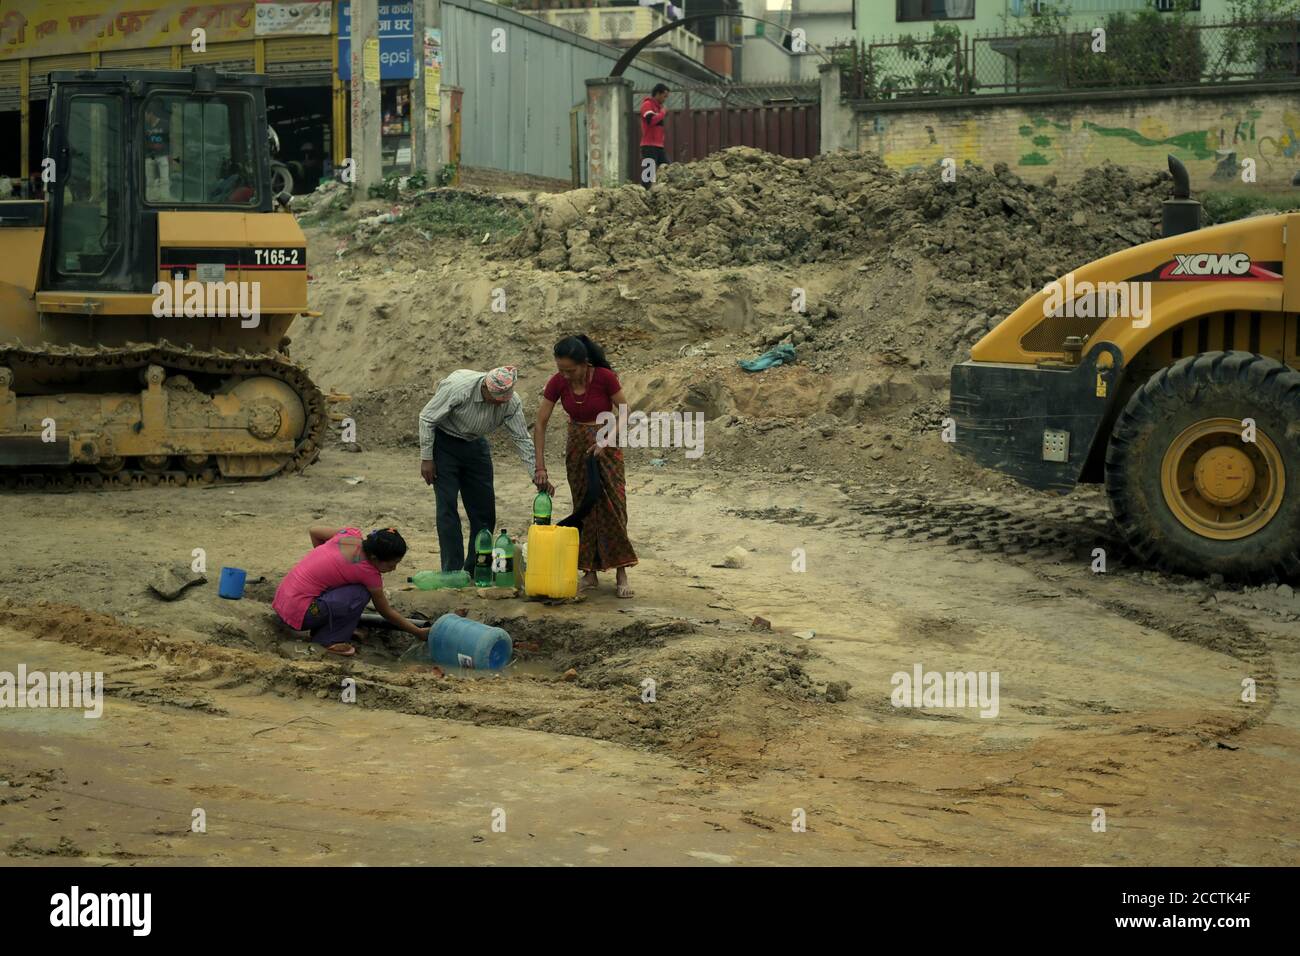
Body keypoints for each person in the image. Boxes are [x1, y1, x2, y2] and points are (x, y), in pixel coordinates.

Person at [419, 366, 553, 574]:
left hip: (475, 445)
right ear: (484, 387)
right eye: (496, 398)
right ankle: (452, 571)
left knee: (484, 512)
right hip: (444, 444)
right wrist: (427, 458)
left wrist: (537, 473)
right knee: (447, 508)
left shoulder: (511, 402)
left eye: (504, 400)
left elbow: (521, 439)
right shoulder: (459, 389)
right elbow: (427, 418)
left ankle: (475, 568)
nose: (500, 403)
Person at [535, 335, 637, 598]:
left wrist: (605, 442)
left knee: (614, 504)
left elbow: (625, 411)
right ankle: (588, 572)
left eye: (571, 370)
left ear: (584, 364)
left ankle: (621, 571)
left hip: (607, 444)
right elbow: (541, 422)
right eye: (561, 370)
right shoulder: (558, 382)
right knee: (584, 505)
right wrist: (540, 465)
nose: (566, 375)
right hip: (578, 446)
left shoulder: (604, 377)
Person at [273, 526, 427, 657]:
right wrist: (417, 632)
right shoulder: (368, 573)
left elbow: (314, 531)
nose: (394, 569)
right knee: (360, 594)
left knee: (343, 589)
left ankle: (331, 626)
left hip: (283, 601)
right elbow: (385, 611)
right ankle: (329, 640)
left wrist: (328, 567)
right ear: (374, 557)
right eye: (391, 564)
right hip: (303, 615)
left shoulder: (349, 534)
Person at [639, 83, 670, 188]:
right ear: (658, 94)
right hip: (649, 146)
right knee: (648, 175)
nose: (665, 99)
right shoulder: (647, 105)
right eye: (664, 96)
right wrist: (662, 113)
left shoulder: (658, 108)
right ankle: (643, 196)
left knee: (668, 169)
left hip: (658, 146)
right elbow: (651, 121)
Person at [144, 102, 170, 201]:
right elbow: (144, 141)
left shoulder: (164, 124)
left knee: (165, 179)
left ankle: (165, 198)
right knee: (149, 180)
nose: (145, 117)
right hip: (149, 155)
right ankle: (150, 198)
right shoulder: (145, 126)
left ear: (150, 114)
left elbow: (169, 139)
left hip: (163, 154)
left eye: (145, 115)